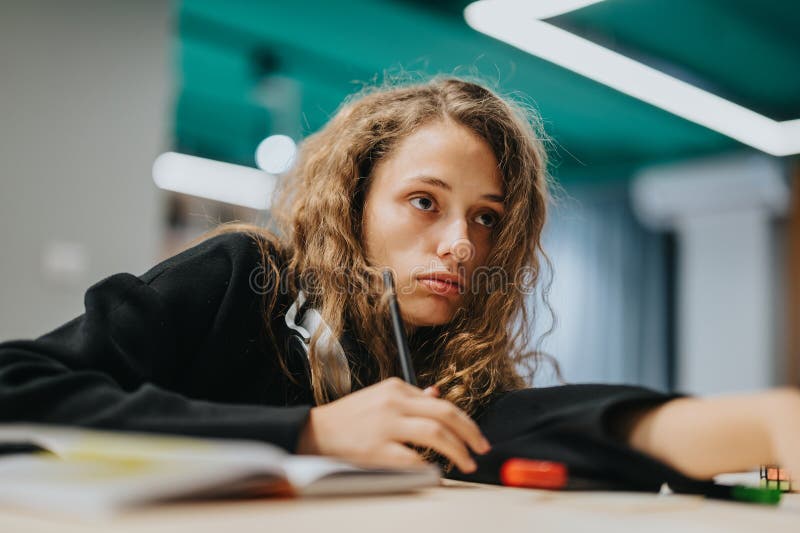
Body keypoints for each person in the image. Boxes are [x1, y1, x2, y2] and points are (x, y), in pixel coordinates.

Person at [0, 77, 796, 489]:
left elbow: (545, 423)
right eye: (425, 202)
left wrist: (765, 425)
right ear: (354, 201)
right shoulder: (245, 277)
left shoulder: (449, 358)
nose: (459, 244)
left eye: (486, 219)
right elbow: (17, 382)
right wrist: (309, 435)